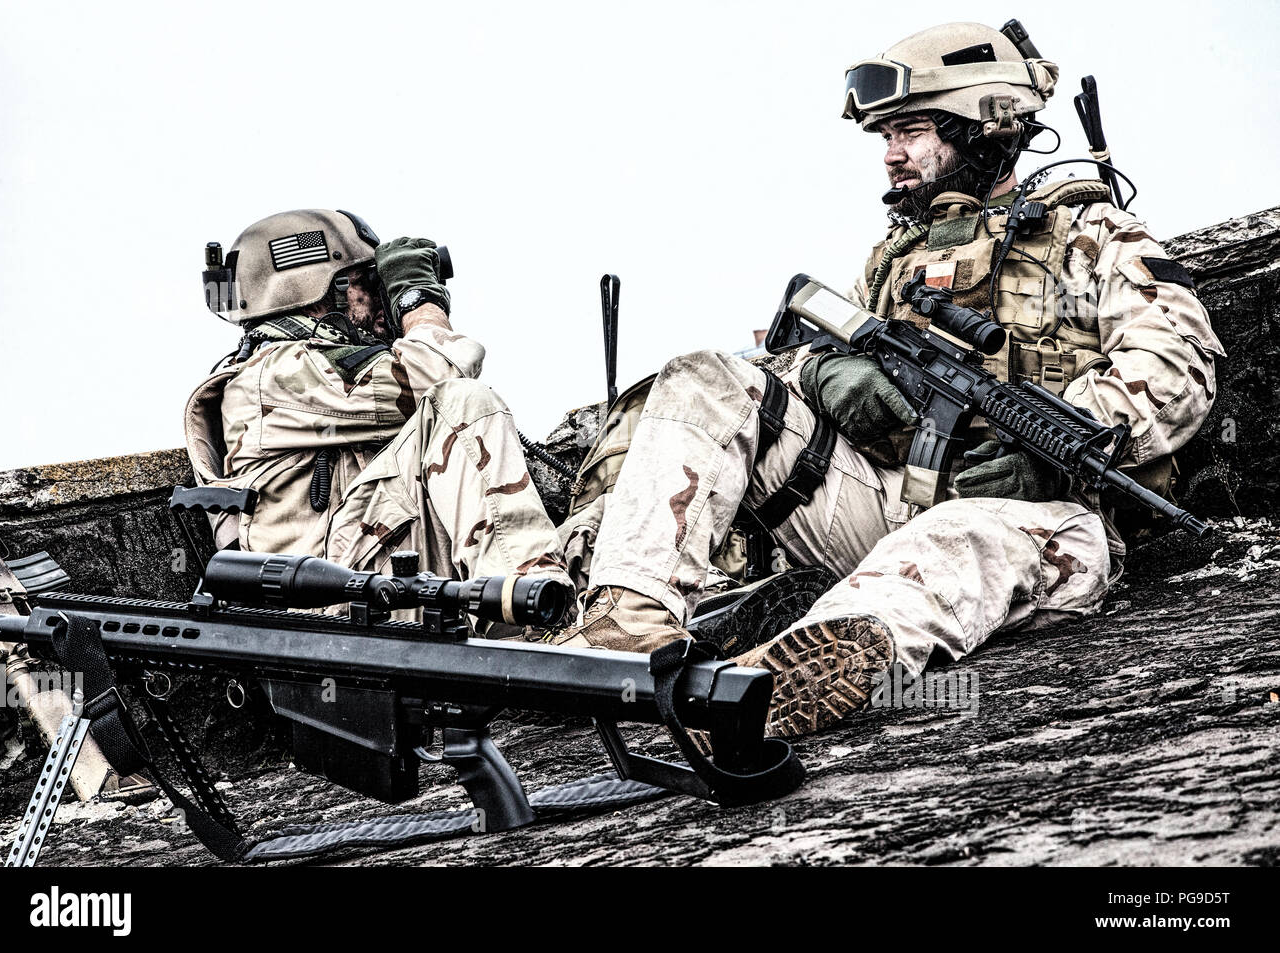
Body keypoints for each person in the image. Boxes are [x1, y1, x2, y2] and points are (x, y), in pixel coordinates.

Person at [552, 22, 1225, 737]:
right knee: (702, 377)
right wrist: (819, 370)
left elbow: (1178, 364)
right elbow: (791, 362)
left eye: (909, 130)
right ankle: (625, 630)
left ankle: (782, 679)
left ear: (982, 124)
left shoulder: (1090, 238)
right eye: (884, 137)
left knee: (958, 531)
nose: (891, 155)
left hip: (1050, 526)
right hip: (884, 506)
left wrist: (1050, 443)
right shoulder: (891, 263)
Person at [184, 209, 572, 628]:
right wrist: (417, 302)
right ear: (326, 292)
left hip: (386, 587)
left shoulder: (331, 370)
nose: (382, 298)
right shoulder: (275, 374)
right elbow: (436, 374)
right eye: (371, 281)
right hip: (335, 609)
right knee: (459, 399)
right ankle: (536, 615)